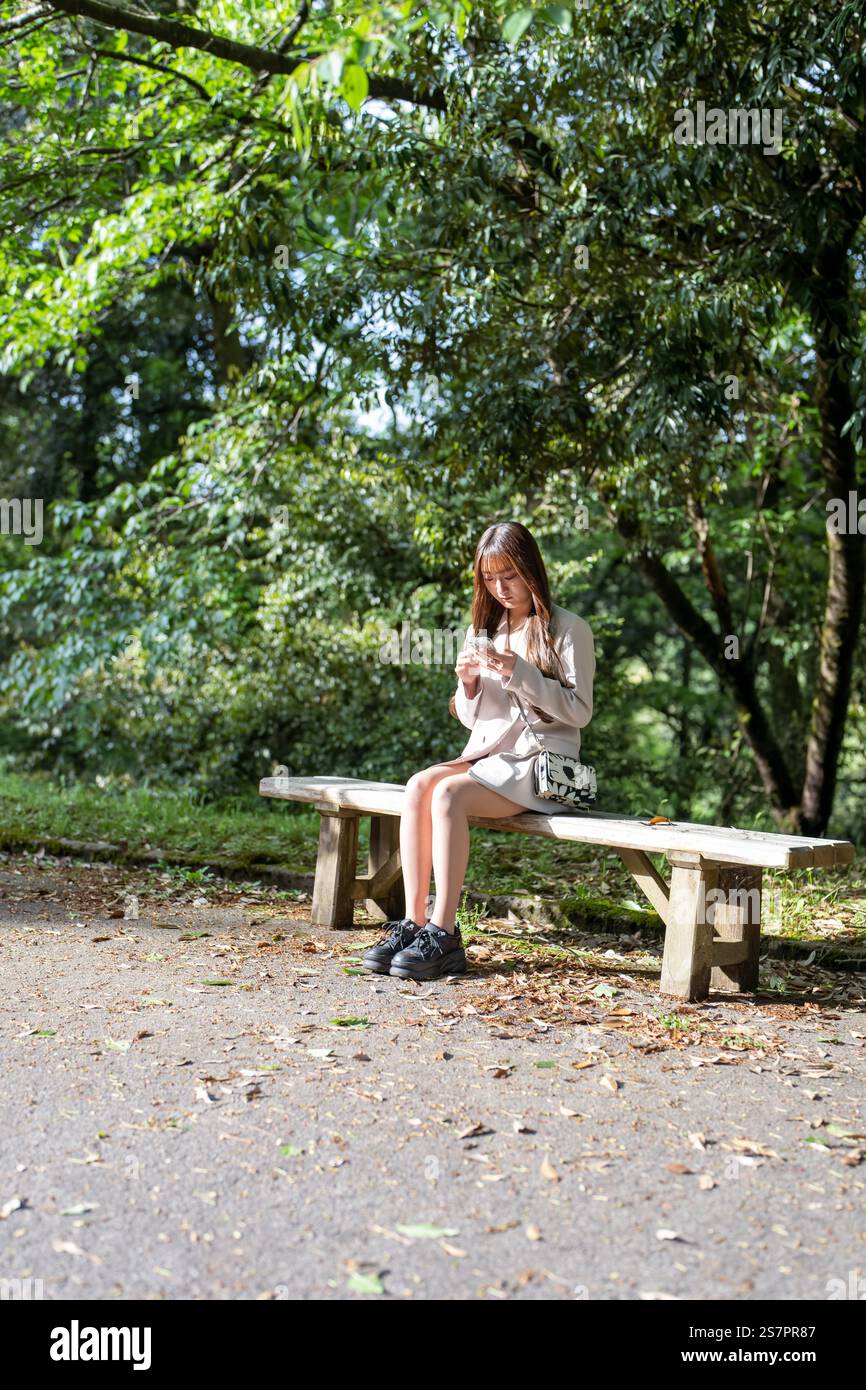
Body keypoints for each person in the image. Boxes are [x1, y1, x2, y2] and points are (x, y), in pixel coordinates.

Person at [363, 520, 595, 982]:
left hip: (540, 767)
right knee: (418, 785)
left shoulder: (569, 629)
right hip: (488, 758)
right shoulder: (483, 629)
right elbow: (474, 719)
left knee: (448, 795)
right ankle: (413, 924)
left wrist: (520, 671)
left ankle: (444, 932)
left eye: (508, 575)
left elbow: (580, 711)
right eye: (489, 578)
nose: (500, 587)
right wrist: (467, 683)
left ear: (530, 569)